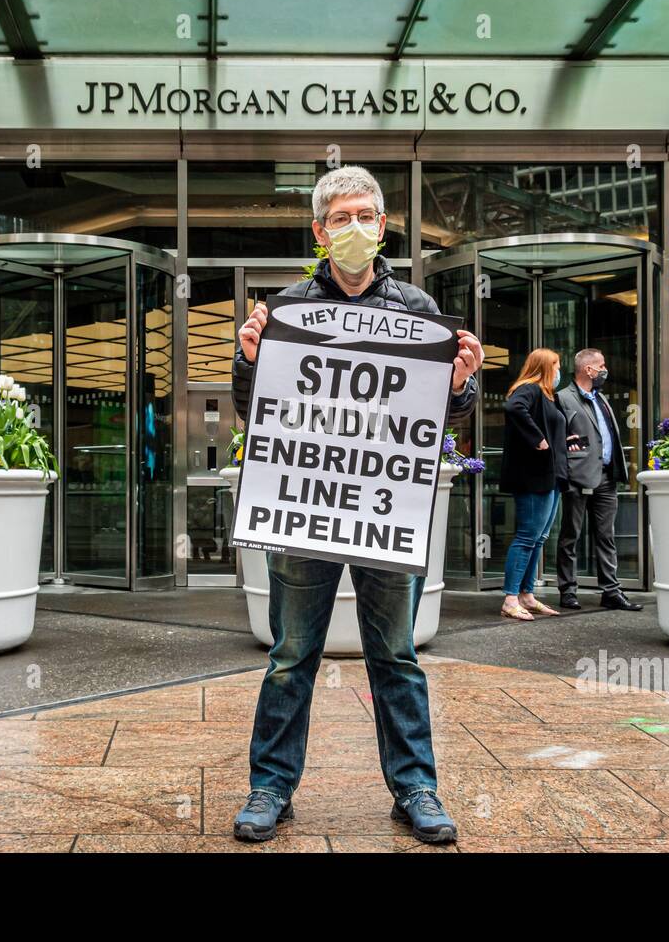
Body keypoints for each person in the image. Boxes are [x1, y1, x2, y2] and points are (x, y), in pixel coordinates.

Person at [230, 165, 483, 844]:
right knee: (291, 655)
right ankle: (270, 788)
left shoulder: (417, 313)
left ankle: (416, 789)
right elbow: (257, 414)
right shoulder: (284, 310)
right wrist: (251, 360)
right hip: (307, 510)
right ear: (320, 232)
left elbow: (444, 416)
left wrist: (460, 385)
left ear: (383, 226)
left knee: (395, 656)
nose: (356, 228)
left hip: (385, 511)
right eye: (341, 218)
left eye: (366, 216)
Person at [555, 348, 642, 611]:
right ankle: (568, 590)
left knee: (606, 536)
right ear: (588, 370)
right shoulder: (563, 398)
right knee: (571, 535)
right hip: (578, 476)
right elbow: (555, 432)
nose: (605, 371)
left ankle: (611, 591)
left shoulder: (601, 398)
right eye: (602, 366)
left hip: (606, 477)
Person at [499, 349, 570, 621]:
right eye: (556, 366)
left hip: (550, 475)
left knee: (539, 538)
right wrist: (537, 438)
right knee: (528, 536)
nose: (559, 371)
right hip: (533, 475)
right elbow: (513, 407)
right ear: (544, 367)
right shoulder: (529, 388)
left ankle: (526, 595)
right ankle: (510, 598)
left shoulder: (548, 396)